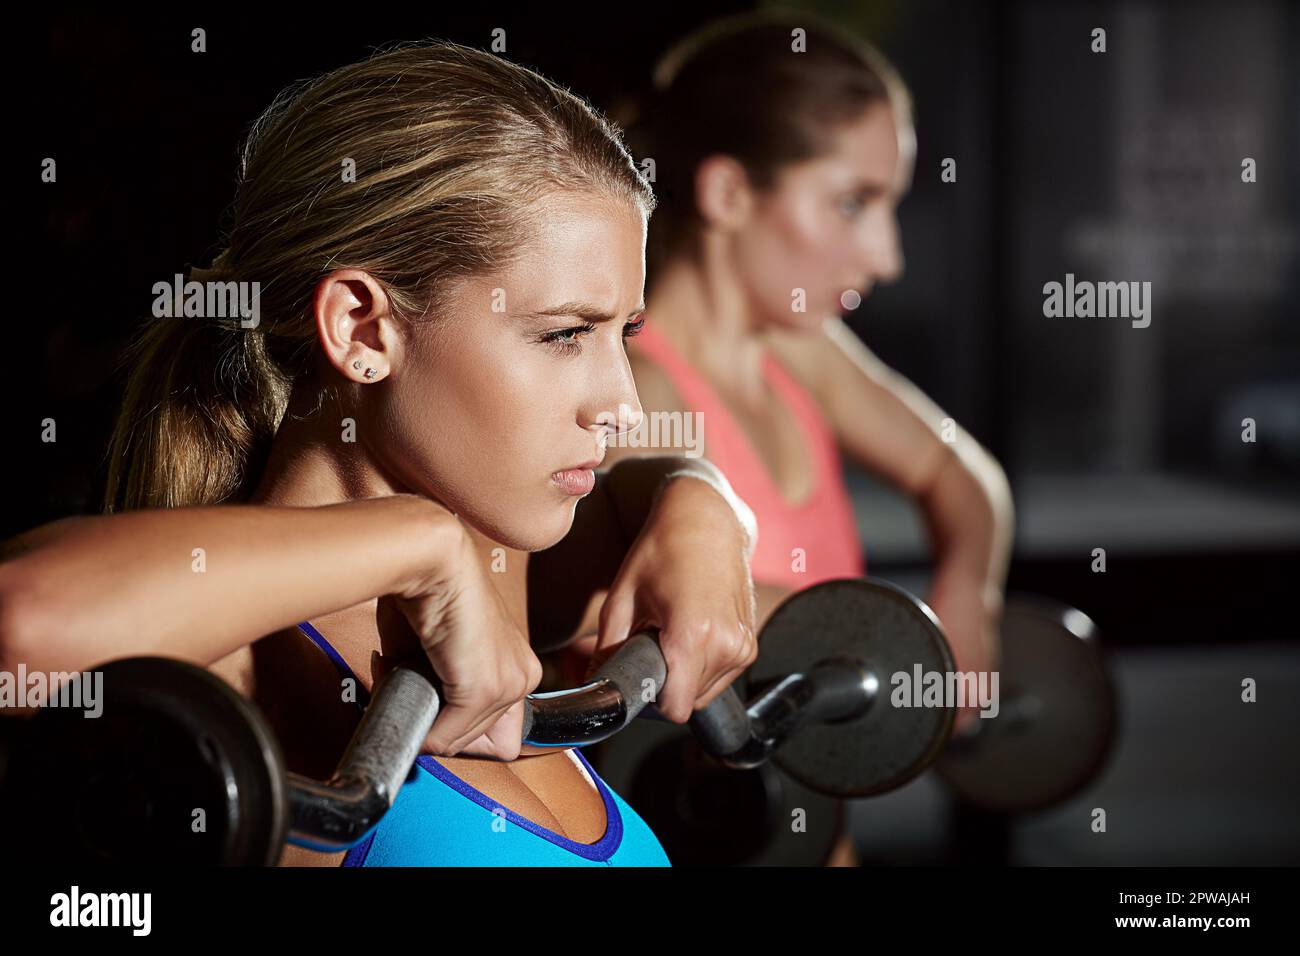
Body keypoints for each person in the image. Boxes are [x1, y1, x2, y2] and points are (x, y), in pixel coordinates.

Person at [0, 40, 764, 867]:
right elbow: (19, 621)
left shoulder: (498, 570)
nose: (622, 405)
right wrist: (417, 544)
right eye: (564, 334)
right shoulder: (254, 660)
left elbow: (643, 493)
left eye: (626, 333)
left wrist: (704, 503)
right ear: (363, 328)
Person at [588, 12, 1016, 865]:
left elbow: (962, 474)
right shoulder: (637, 392)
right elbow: (695, 617)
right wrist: (905, 644)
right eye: (853, 203)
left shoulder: (802, 351)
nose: (886, 256)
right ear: (729, 195)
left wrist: (969, 594)